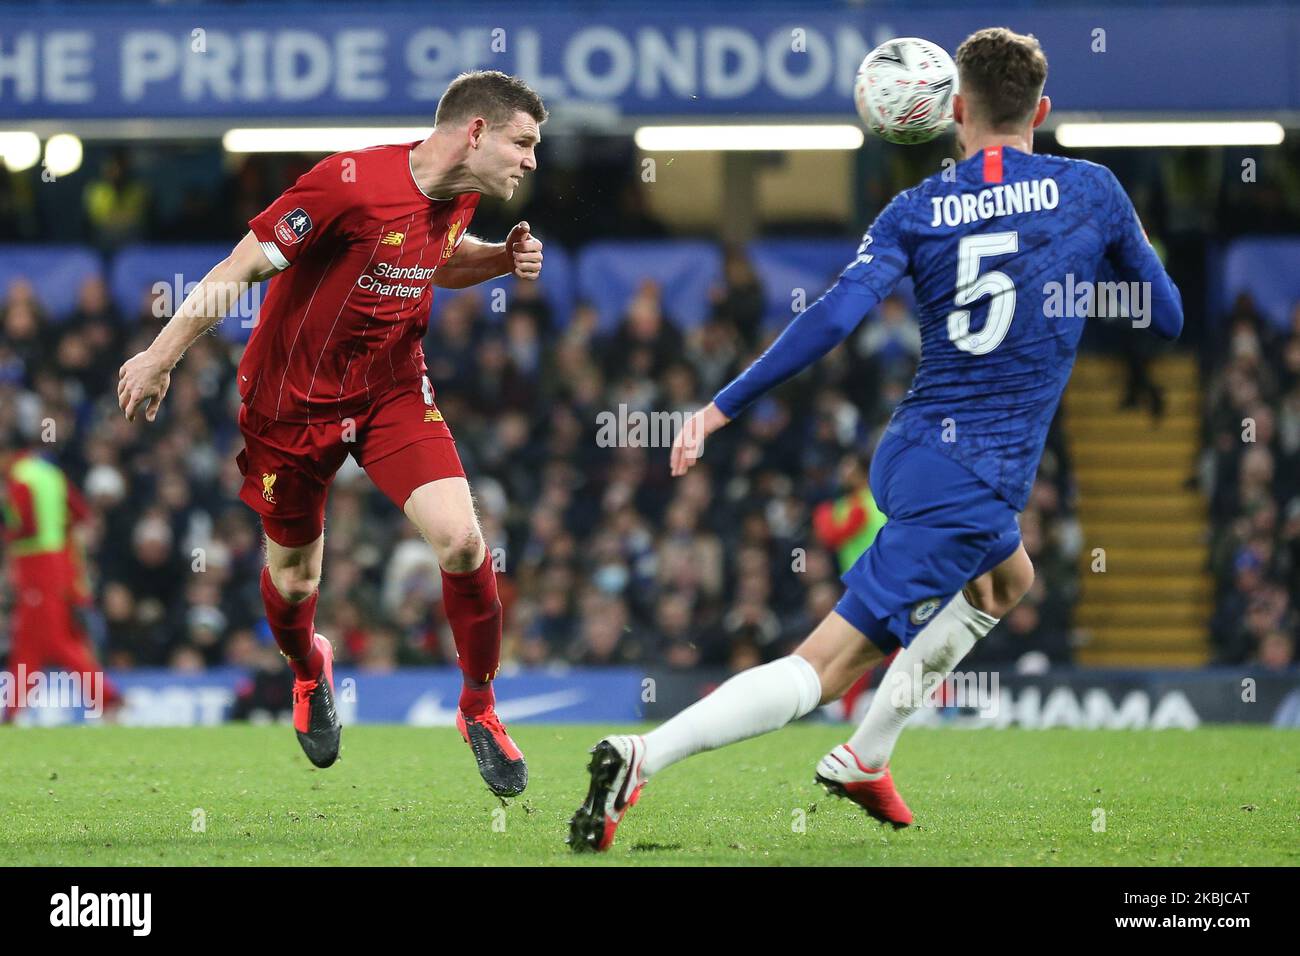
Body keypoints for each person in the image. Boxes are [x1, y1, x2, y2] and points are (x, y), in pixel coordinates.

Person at [569, 28, 1183, 851]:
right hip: (975, 472)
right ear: (1041, 109)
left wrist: (720, 408)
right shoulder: (1094, 190)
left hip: (914, 450)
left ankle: (867, 755)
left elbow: (830, 318)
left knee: (1006, 582)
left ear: (953, 112)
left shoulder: (915, 209)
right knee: (823, 668)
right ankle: (642, 756)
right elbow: (1168, 317)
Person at [117, 70, 547, 797]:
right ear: (476, 131)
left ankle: (478, 707)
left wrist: (501, 257)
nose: (532, 160)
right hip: (291, 405)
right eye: (524, 142)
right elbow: (240, 267)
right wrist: (161, 356)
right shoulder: (347, 183)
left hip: (389, 392)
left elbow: (437, 259)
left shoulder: (461, 194)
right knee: (295, 583)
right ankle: (311, 670)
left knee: (466, 541)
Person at [1, 434, 121, 721]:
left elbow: (24, 526)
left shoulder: (20, 479)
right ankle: (12, 712)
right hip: (60, 565)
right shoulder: (50, 473)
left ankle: (108, 697)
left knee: (55, 642)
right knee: (29, 642)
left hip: (35, 567)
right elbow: (79, 513)